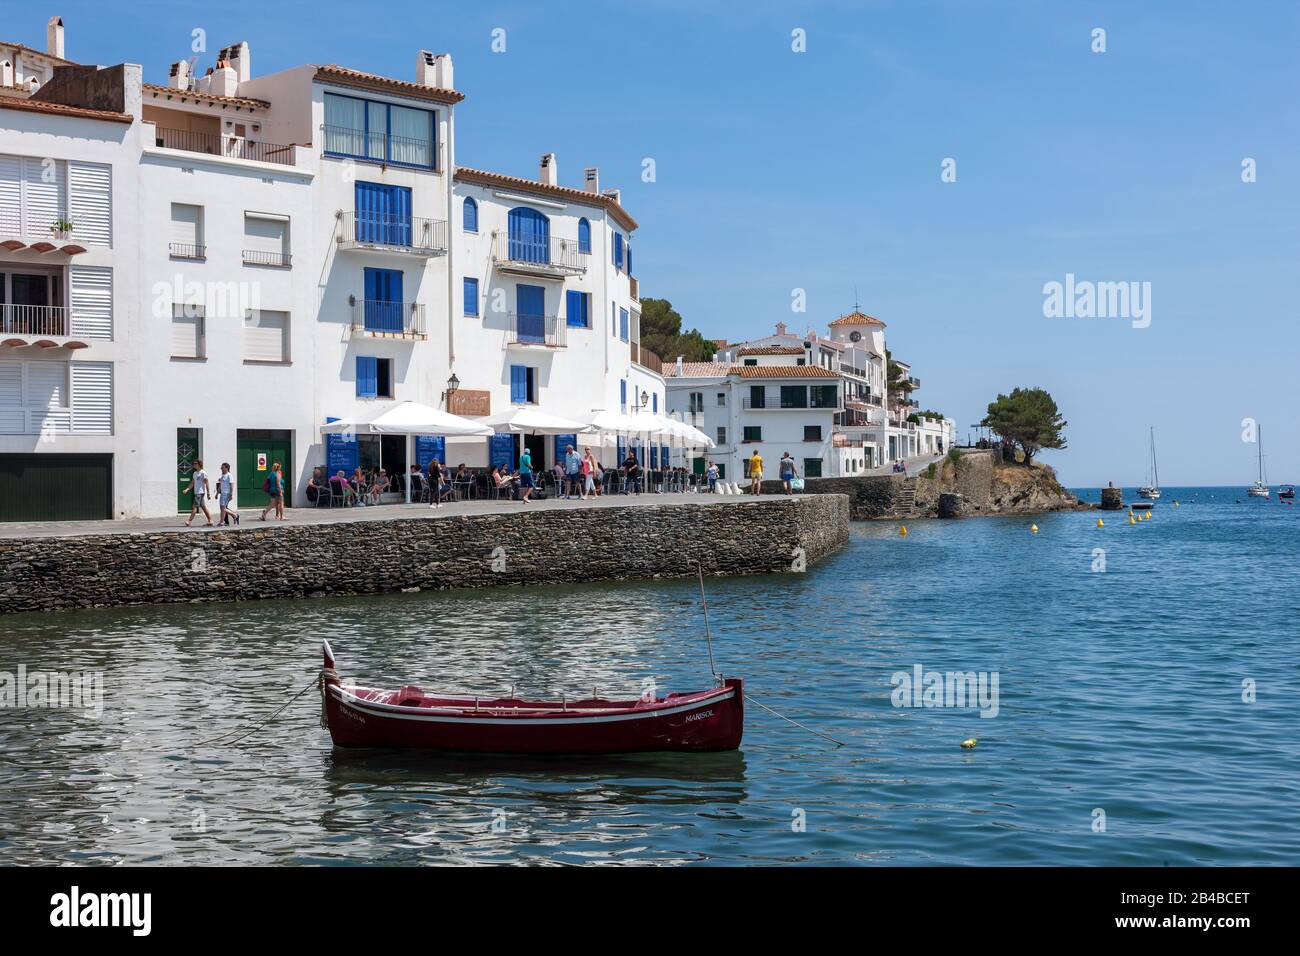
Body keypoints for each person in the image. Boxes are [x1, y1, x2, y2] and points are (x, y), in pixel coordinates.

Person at [182, 459, 214, 527]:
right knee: (203, 507)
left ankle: (189, 521)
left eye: (195, 463)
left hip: (200, 492)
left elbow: (207, 483)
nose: (194, 464)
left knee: (194, 507)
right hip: (196, 492)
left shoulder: (203, 473)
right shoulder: (195, 473)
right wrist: (187, 489)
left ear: (199, 464)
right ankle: (210, 520)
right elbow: (193, 483)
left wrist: (208, 493)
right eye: (193, 463)